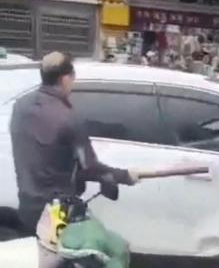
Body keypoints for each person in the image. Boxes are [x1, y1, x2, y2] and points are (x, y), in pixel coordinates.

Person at [9, 52, 139, 237]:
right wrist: (125, 176)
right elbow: (90, 167)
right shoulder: (68, 118)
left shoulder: (20, 106)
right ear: (65, 78)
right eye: (73, 77)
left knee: (38, 255)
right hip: (56, 211)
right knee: (56, 258)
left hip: (27, 204)